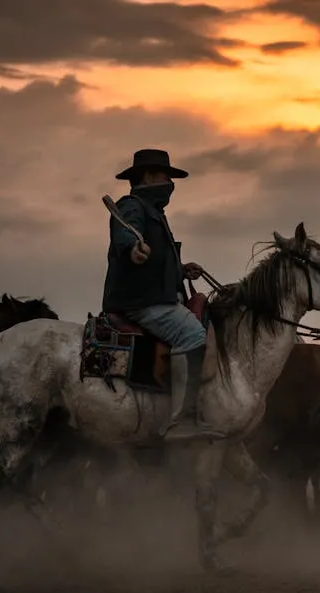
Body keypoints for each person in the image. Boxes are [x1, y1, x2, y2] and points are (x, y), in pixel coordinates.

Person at [102, 148, 225, 441]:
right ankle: (180, 421)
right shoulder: (133, 206)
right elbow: (126, 235)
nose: (170, 184)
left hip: (149, 296)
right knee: (193, 334)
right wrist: (133, 248)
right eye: (165, 176)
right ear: (148, 176)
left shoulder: (154, 212)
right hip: (141, 302)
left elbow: (155, 261)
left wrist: (180, 270)